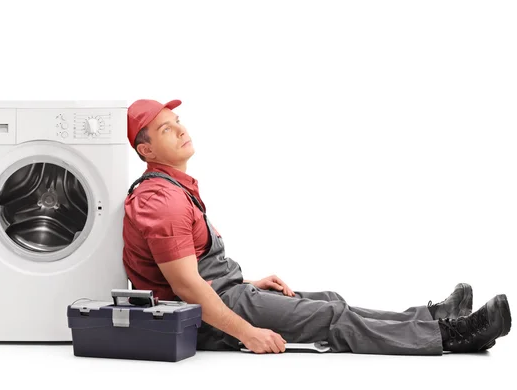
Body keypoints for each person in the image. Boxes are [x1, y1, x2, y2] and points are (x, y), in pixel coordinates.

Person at [122, 98, 512, 355]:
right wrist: (247, 333)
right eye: (166, 129)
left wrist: (246, 284)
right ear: (147, 151)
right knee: (331, 320)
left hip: (229, 296)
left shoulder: (172, 187)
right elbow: (186, 287)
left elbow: (195, 269)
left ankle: (431, 317)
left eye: (178, 121)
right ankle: (453, 337)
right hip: (207, 320)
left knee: (330, 299)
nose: (181, 129)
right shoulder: (161, 199)